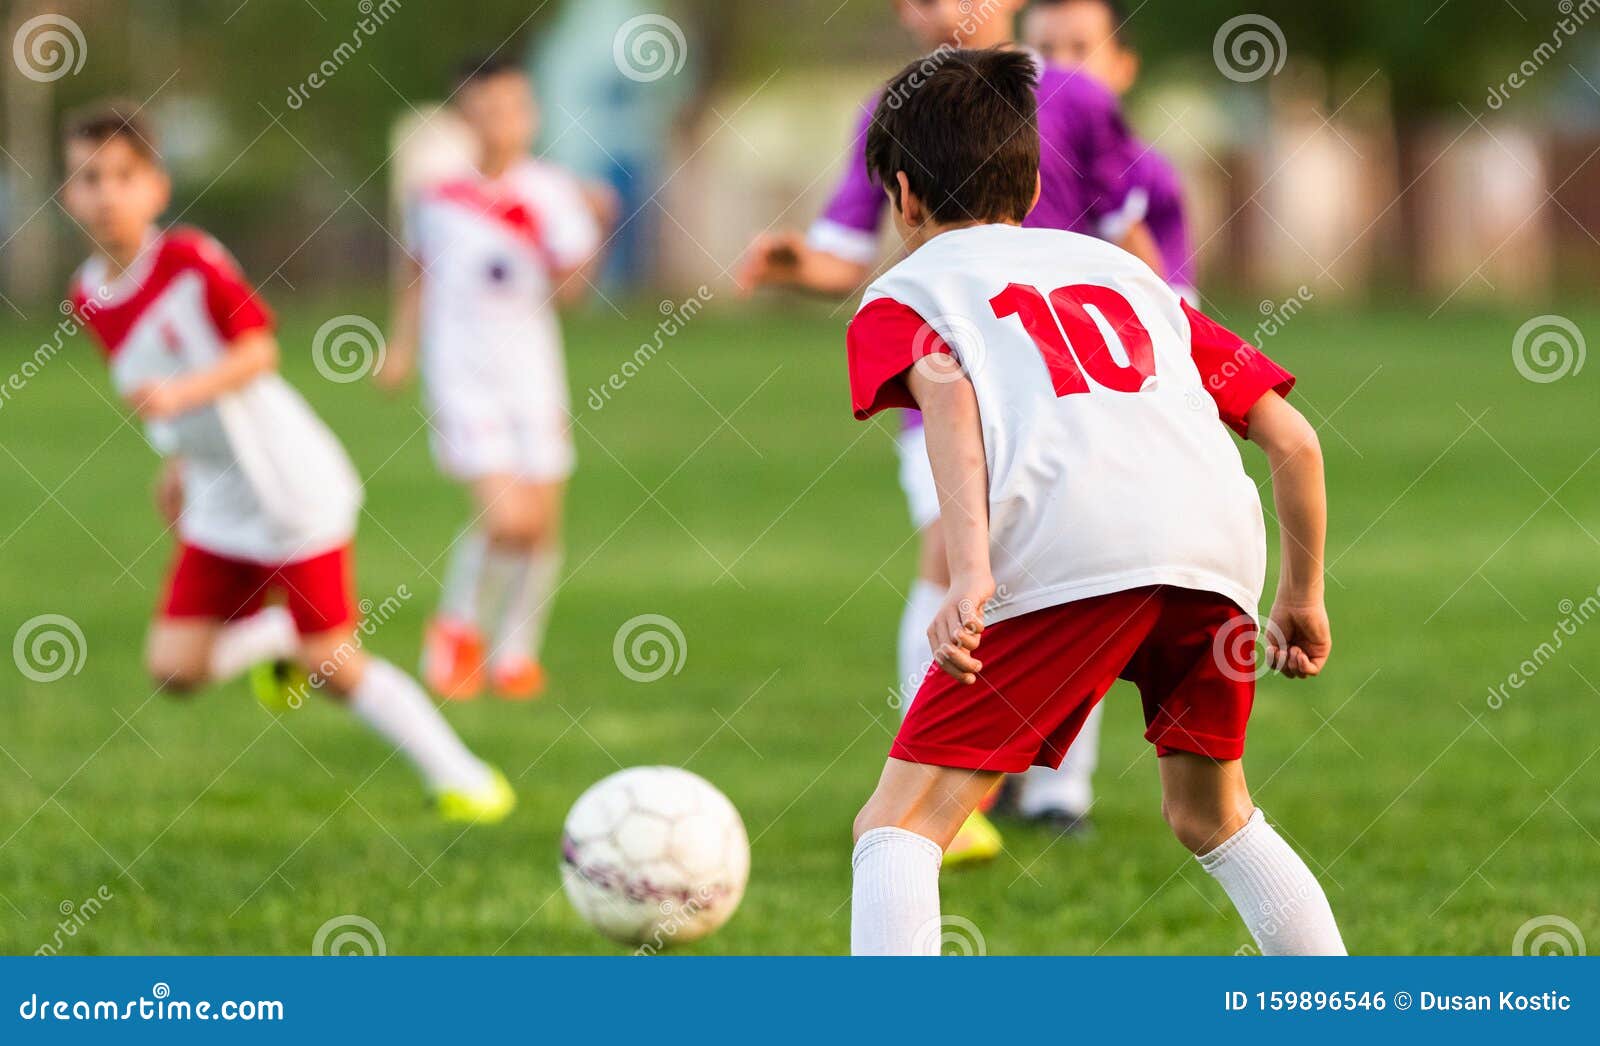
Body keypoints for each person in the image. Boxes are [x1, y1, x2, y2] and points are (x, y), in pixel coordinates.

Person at [844, 48, 1344, 956]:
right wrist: (1301, 598)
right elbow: (1295, 440)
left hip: (1071, 544)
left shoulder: (906, 293)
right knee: (1216, 815)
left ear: (904, 196)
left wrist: (970, 574)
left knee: (900, 824)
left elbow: (948, 397)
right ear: (1033, 184)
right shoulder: (1128, 277)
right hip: (1214, 552)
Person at [738, 0, 1160, 865]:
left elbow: (1129, 234)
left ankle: (1054, 791)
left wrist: (1170, 336)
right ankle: (945, 788)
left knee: (1058, 560)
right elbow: (846, 252)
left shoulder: (1072, 97)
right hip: (952, 372)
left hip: (1065, 382)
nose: (925, 8)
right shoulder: (895, 106)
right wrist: (796, 267)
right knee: (952, 549)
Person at [62, 102, 515, 824]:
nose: (107, 193)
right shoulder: (86, 294)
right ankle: (276, 635)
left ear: (157, 186)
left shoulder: (188, 260)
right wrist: (177, 460)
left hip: (286, 486)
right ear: (68, 195)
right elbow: (149, 380)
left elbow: (258, 351)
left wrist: (183, 393)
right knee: (173, 670)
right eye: (89, 178)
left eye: (124, 175)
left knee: (334, 667)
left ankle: (464, 776)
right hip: (216, 495)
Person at [378, 55, 612, 702]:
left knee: (541, 527)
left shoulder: (552, 193)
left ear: (530, 113)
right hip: (461, 378)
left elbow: (571, 295)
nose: (501, 123)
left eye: (513, 107)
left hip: (533, 377)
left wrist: (597, 231)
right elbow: (415, 272)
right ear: (464, 117)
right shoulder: (438, 195)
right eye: (485, 110)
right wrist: (399, 349)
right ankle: (455, 628)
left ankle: (513, 655)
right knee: (508, 518)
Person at [1024, 0, 1195, 299]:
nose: (1060, 68)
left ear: (1123, 67)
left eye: (1080, 49)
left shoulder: (1154, 177)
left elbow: (1176, 305)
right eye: (1045, 52)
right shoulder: (1013, 158)